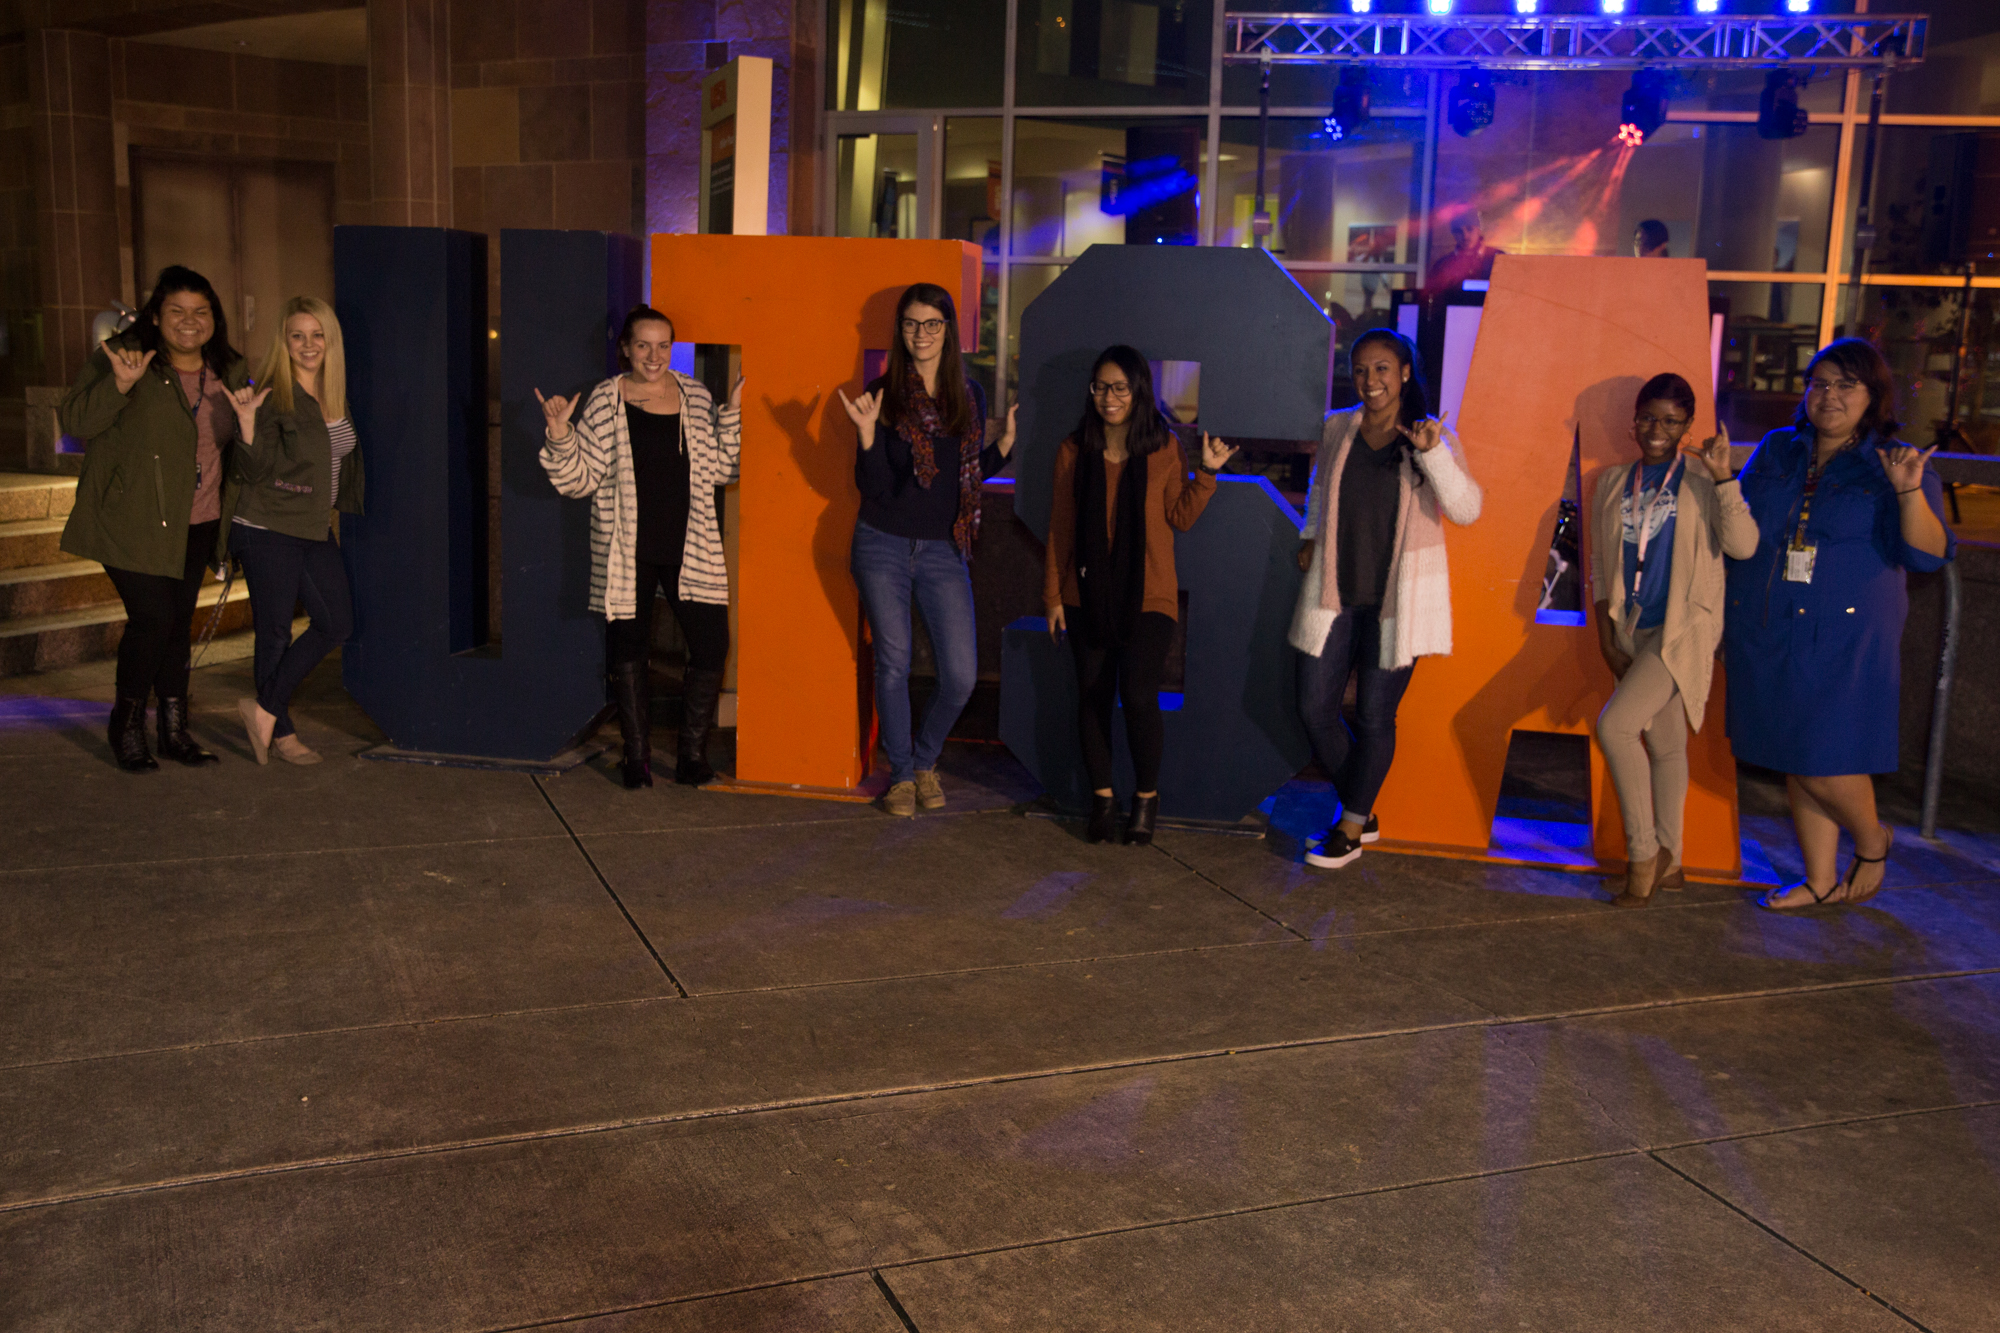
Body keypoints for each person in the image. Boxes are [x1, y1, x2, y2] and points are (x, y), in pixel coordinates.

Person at [1725, 338, 1953, 909]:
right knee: (1794, 756)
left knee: (1823, 757)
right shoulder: (1779, 450)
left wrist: (1906, 494)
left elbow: (1928, 556)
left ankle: (1873, 841)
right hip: (1771, 624)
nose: (1829, 396)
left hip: (1847, 635)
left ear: (1873, 395)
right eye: (1819, 383)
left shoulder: (1894, 462)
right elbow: (1741, 526)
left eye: (1846, 385)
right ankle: (1820, 879)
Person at [1289, 329, 1482, 869]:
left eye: (1382, 369)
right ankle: (1362, 805)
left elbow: (1467, 508)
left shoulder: (1429, 435)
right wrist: (1309, 538)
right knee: (1313, 707)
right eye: (1361, 370)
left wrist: (1433, 456)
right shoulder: (1338, 427)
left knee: (1375, 716)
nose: (1370, 380)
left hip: (1399, 601)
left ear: (1404, 374)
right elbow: (1320, 489)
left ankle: (1350, 828)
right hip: (1335, 592)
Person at [538, 306, 742, 789]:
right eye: (644, 345)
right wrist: (561, 433)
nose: (655, 355)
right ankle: (637, 757)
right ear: (626, 348)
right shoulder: (607, 399)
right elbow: (579, 479)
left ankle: (691, 754)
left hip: (690, 544)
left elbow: (722, 470)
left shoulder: (693, 394)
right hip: (626, 547)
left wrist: (730, 416)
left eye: (664, 345)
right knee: (628, 649)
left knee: (712, 644)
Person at [58, 265, 249, 772]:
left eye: (201, 311)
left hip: (200, 518)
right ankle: (127, 724)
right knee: (154, 618)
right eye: (177, 312)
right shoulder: (124, 355)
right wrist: (119, 386)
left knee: (175, 624)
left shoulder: (229, 368)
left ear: (215, 318)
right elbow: (76, 422)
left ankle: (173, 729)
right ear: (156, 316)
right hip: (132, 519)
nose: (190, 322)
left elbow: (236, 447)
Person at [836, 283, 1018, 817]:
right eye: (912, 324)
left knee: (961, 675)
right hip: (882, 543)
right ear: (901, 330)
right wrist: (868, 435)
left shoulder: (970, 396)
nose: (921, 334)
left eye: (932, 324)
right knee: (892, 662)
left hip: (942, 549)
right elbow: (873, 488)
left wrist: (1003, 448)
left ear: (948, 330)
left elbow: (965, 480)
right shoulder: (884, 392)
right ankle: (900, 777)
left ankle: (923, 760)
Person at [1044, 346, 1235, 846]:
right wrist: (1053, 596)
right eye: (1101, 387)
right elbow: (1061, 530)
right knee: (1092, 697)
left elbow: (1180, 517)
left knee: (1139, 694)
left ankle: (1145, 799)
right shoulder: (1072, 451)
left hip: (1150, 595)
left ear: (1138, 392)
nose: (1109, 397)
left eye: (1120, 388)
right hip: (1085, 593)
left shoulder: (1163, 449)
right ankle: (1103, 799)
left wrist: (1208, 474)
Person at [1590, 373, 1758, 906]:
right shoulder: (1614, 481)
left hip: (1682, 629)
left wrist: (1727, 479)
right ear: (1633, 421)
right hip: (1631, 626)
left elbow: (1744, 547)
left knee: (1615, 728)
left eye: (1670, 421)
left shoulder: (1704, 480)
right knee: (1664, 746)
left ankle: (1643, 855)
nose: (1656, 430)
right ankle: (1675, 860)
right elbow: (1599, 565)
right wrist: (1606, 636)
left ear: (1687, 427)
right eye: (1647, 418)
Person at [225, 297, 360, 766]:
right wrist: (245, 425)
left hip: (312, 525)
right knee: (276, 632)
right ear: (284, 342)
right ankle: (280, 732)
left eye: (317, 334)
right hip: (268, 525)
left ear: (330, 340)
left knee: (337, 622)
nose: (308, 345)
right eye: (297, 335)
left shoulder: (333, 392)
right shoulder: (272, 395)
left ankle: (262, 708)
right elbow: (255, 468)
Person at [1425, 208, 1505, 292]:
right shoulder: (1442, 265)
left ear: (1479, 230)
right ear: (1453, 234)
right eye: (1459, 231)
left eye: (1469, 229)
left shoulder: (1499, 259)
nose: (1465, 236)